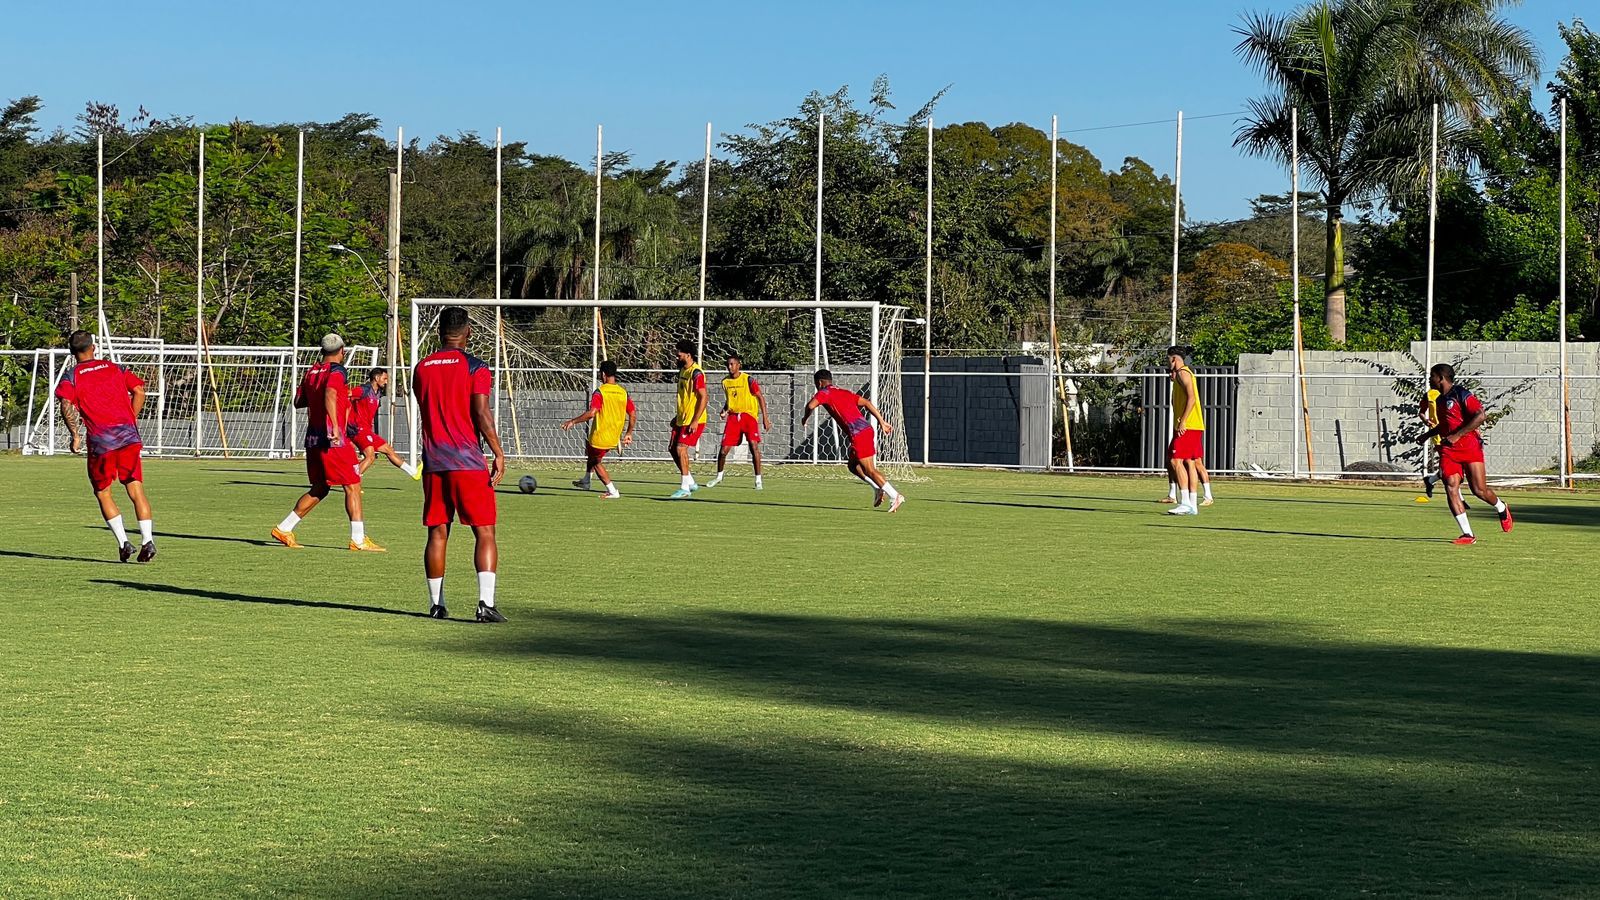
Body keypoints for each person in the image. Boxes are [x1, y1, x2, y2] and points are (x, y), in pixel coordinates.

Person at [414, 306, 507, 621]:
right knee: (485, 531)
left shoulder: (422, 368)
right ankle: (486, 604)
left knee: (437, 533)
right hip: (467, 461)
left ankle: (436, 605)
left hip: (433, 462)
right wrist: (498, 452)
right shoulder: (475, 367)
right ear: (468, 332)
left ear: (441, 332)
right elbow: (480, 413)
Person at [271, 334, 383, 552]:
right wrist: (334, 425)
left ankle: (284, 529)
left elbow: (298, 402)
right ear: (342, 351)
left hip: (312, 438)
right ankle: (358, 540)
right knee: (352, 485)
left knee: (321, 488)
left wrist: (315, 393)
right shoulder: (337, 370)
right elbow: (331, 393)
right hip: (332, 439)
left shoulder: (311, 371)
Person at [55, 330, 157, 562]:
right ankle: (147, 540)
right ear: (94, 347)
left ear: (71, 352)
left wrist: (75, 435)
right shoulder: (115, 368)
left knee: (103, 492)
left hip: (102, 441)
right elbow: (139, 390)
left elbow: (65, 403)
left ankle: (123, 543)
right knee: (135, 488)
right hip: (128, 436)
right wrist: (131, 419)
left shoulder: (72, 376)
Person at [1418, 363, 1512, 545]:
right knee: (1451, 485)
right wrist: (1427, 435)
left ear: (1441, 378)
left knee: (1479, 490)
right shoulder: (1438, 400)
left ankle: (1501, 507)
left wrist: (1458, 435)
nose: (1429, 379)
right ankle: (1468, 534)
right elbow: (1445, 426)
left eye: (1432, 376)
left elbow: (1480, 415)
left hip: (1469, 447)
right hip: (1449, 450)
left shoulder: (1461, 393)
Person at [800, 369, 904, 513]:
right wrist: (882, 422)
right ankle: (877, 489)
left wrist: (805, 418)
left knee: (870, 470)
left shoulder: (824, 393)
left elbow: (810, 405)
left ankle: (895, 495)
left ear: (819, 383)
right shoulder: (844, 392)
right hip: (865, 429)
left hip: (858, 433)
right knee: (852, 466)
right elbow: (866, 403)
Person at [563, 360, 636, 499]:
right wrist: (629, 433)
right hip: (615, 435)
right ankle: (586, 480)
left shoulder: (600, 392)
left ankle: (612, 491)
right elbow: (633, 413)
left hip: (601, 435)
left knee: (596, 462)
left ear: (603, 374)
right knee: (590, 451)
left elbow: (592, 413)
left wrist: (573, 421)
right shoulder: (623, 392)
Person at [706, 353, 771, 490]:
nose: (729, 367)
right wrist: (724, 410)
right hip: (733, 418)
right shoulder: (725, 382)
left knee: (753, 446)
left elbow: (760, 397)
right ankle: (719, 476)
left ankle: (758, 480)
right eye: (728, 364)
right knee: (723, 450)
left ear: (738, 365)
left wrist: (765, 418)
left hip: (749, 416)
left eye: (732, 364)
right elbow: (730, 400)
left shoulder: (748, 380)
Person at [349, 368, 420, 479]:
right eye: (384, 378)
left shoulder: (377, 393)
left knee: (388, 449)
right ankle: (352, 482)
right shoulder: (364, 389)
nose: (386, 381)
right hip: (358, 429)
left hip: (367, 430)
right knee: (370, 456)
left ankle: (413, 472)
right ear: (377, 378)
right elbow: (347, 394)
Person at [1165, 346, 1206, 516]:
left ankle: (1185, 502)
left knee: (1175, 461)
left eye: (1168, 359)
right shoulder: (1181, 374)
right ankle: (1192, 505)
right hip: (1194, 425)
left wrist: (1183, 421)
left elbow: (1192, 398)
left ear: (1174, 359)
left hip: (1188, 426)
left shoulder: (1183, 373)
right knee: (1188, 462)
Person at [667, 339, 708, 499]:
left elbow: (704, 397)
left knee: (681, 449)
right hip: (682, 419)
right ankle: (690, 481)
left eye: (679, 354)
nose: (677, 357)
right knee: (672, 449)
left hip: (693, 419)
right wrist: (677, 416)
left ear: (688, 355)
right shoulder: (683, 371)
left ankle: (685, 488)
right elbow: (686, 398)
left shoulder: (696, 373)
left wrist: (695, 420)